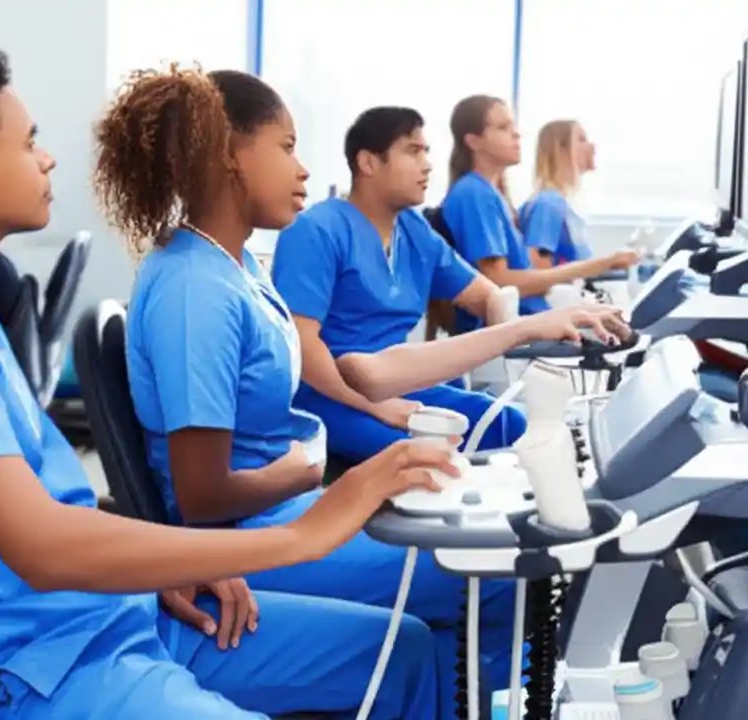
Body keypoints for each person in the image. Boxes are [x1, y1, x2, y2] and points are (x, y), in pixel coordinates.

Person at [0, 47, 454, 720]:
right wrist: (306, 533)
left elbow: (52, 505)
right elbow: (40, 547)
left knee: (403, 653)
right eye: (28, 142)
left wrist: (162, 568)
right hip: (26, 671)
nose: (47, 158)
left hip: (101, 617)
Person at [104, 73, 629, 718]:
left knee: (483, 563)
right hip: (249, 535)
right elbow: (200, 493)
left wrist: (519, 329)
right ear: (224, 154)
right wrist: (315, 477)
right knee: (496, 578)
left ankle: (445, 697)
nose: (302, 169)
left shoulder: (236, 267)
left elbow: (365, 369)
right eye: (286, 146)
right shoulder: (196, 288)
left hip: (291, 508)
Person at [271, 106, 525, 462]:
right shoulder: (316, 230)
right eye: (412, 150)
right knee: (423, 453)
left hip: (399, 384)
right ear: (368, 163)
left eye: (426, 151)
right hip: (330, 397)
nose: (427, 165)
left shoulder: (415, 231)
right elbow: (301, 346)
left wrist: (523, 326)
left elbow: (486, 296)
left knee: (508, 423)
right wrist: (377, 406)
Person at [438, 95, 636, 334]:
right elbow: (499, 283)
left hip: (531, 320)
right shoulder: (474, 194)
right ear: (473, 141)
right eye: (503, 128)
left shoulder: (494, 196)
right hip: (514, 333)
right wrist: (603, 263)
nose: (517, 134)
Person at [519, 119, 596, 268]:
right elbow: (539, 268)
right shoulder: (549, 203)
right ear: (559, 150)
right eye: (581, 139)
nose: (592, 146)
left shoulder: (561, 203)